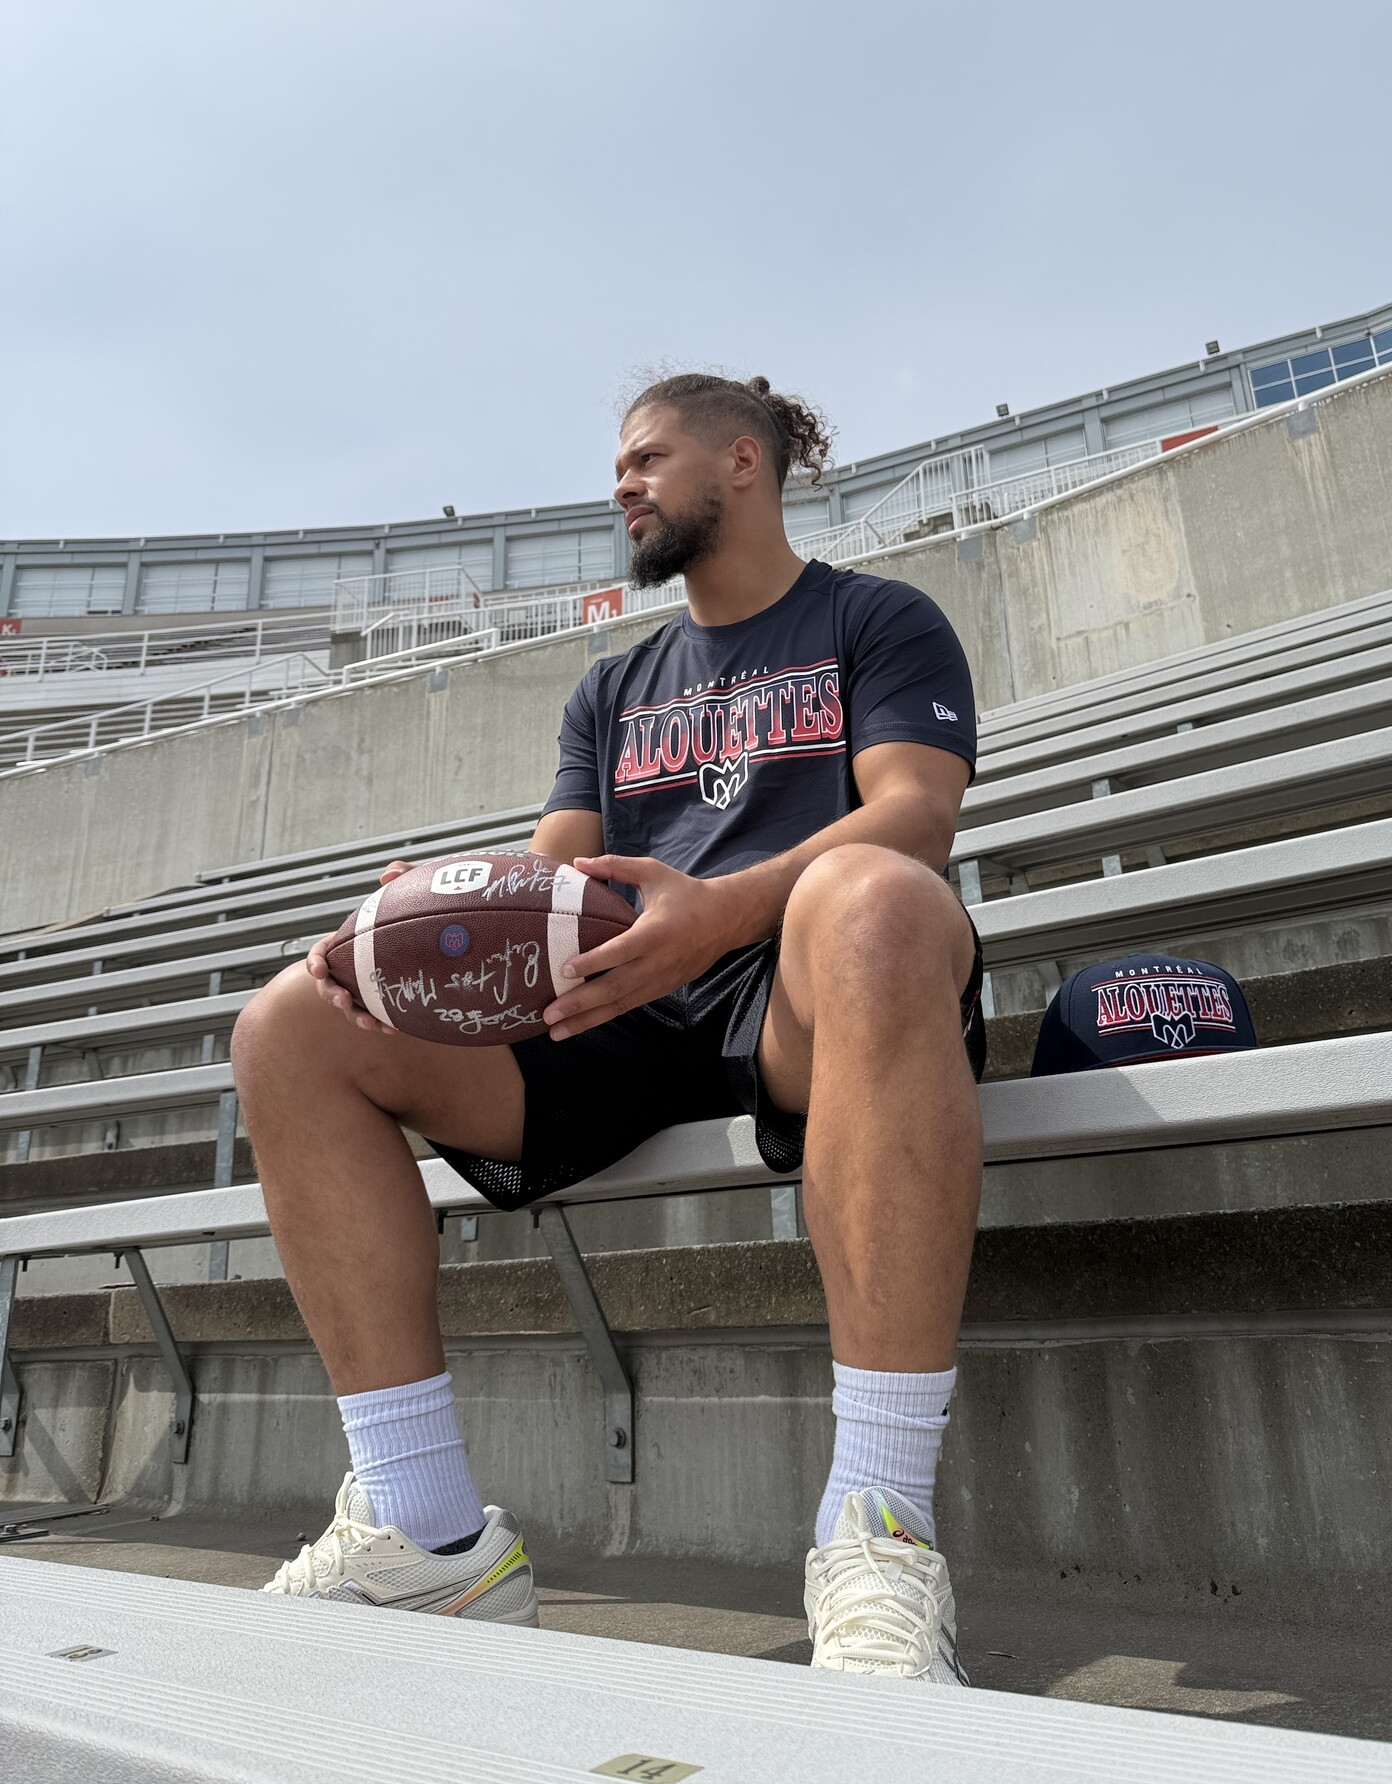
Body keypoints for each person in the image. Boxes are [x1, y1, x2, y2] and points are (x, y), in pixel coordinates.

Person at [232, 372, 987, 1682]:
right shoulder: (613, 688)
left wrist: (719, 913)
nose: (623, 484)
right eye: (617, 466)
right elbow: (546, 884)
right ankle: (426, 1534)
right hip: (627, 1005)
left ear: (743, 461)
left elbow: (917, 812)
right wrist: (400, 931)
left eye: (647, 458)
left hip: (797, 984)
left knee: (875, 898)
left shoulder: (877, 620)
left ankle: (877, 1529)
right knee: (293, 1021)